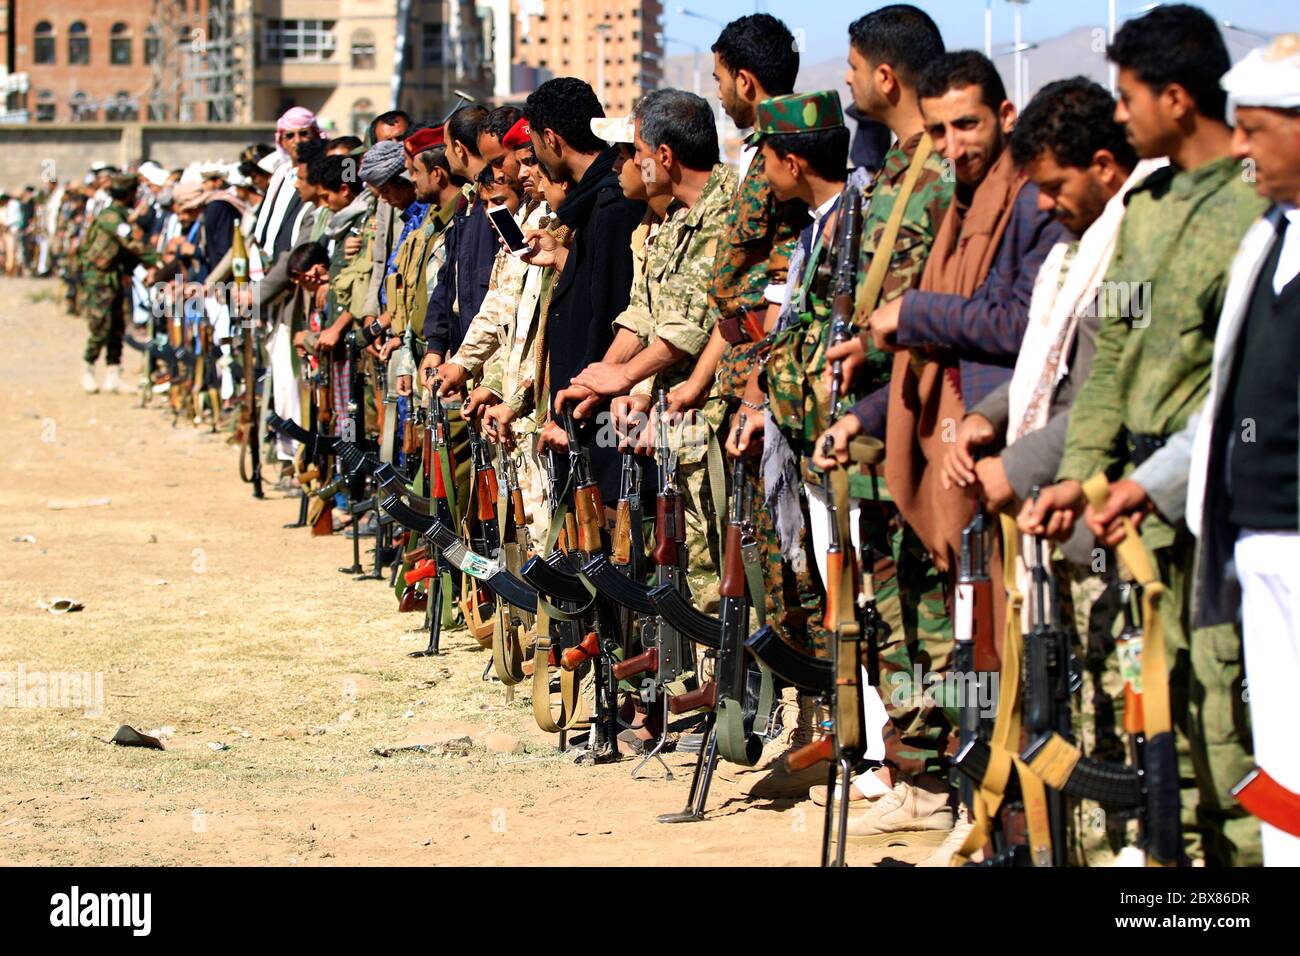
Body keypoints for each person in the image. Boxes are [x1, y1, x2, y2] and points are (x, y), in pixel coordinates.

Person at [1022, 4, 1266, 866]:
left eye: (1128, 98)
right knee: (1165, 716)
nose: (1118, 117)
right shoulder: (1149, 208)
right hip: (1137, 504)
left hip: (1228, 505)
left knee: (1230, 717)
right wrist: (1078, 479)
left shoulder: (1252, 208)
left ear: (1177, 98)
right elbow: (1116, 354)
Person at [937, 77, 1151, 865]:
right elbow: (1044, 371)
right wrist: (989, 420)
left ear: (1102, 166)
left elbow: (1106, 393)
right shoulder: (1077, 251)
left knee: (1120, 734)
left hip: (1108, 526)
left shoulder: (1133, 248)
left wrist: (1018, 466)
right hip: (1060, 525)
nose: (1048, 205)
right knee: (1070, 719)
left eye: (1057, 186)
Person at [1185, 34, 1300, 867]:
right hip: (1257, 536)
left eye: (1257, 129)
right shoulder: (1268, 232)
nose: (1241, 147)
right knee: (1284, 759)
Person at [558, 88, 737, 614]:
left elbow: (687, 329)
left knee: (708, 570)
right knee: (674, 560)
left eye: (635, 150)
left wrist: (623, 377)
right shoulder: (676, 220)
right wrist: (601, 377)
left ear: (663, 157)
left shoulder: (724, 213)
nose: (628, 161)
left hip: (706, 417)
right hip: (666, 418)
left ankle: (717, 683)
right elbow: (641, 316)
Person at [523, 76, 647, 504]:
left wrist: (575, 413)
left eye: (535, 144)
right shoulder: (592, 203)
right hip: (584, 408)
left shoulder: (611, 204)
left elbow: (612, 315)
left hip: (599, 414)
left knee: (612, 538)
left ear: (551, 140)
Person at [79, 174, 160, 394]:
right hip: (99, 278)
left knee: (117, 326)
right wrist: (160, 260)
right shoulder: (112, 218)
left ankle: (113, 374)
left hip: (115, 276)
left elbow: (127, 255)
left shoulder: (121, 216)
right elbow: (131, 244)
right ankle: (88, 368)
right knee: (100, 325)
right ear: (128, 194)